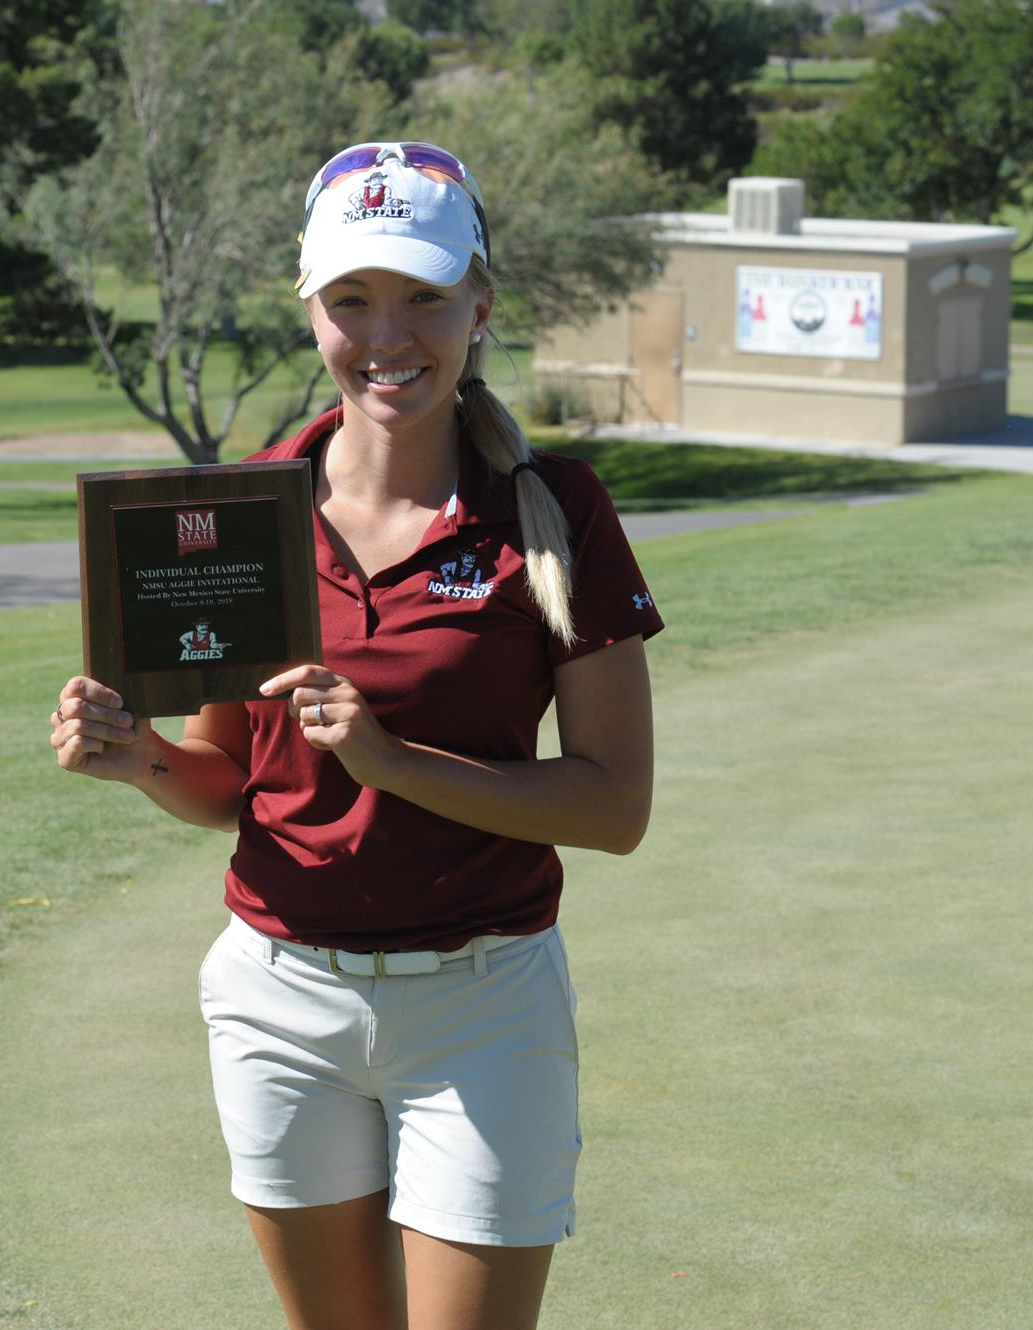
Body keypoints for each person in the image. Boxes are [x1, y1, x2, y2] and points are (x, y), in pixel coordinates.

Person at [47, 140, 663, 1330]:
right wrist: (144, 762)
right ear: (312, 314)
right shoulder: (244, 502)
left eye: (424, 296)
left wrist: (388, 762)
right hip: (279, 1005)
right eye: (352, 300)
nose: (390, 334)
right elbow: (233, 784)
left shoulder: (557, 508)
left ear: (479, 306)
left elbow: (611, 808)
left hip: (482, 1005)